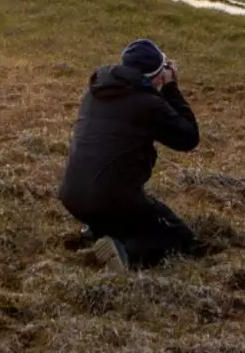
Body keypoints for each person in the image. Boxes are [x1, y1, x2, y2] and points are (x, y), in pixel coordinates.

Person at [58, 38, 201, 271]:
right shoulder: (148, 104)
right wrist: (171, 88)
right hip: (113, 200)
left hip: (73, 196)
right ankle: (126, 252)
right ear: (156, 75)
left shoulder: (95, 91)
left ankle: (96, 230)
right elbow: (188, 138)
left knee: (137, 209)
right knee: (179, 237)